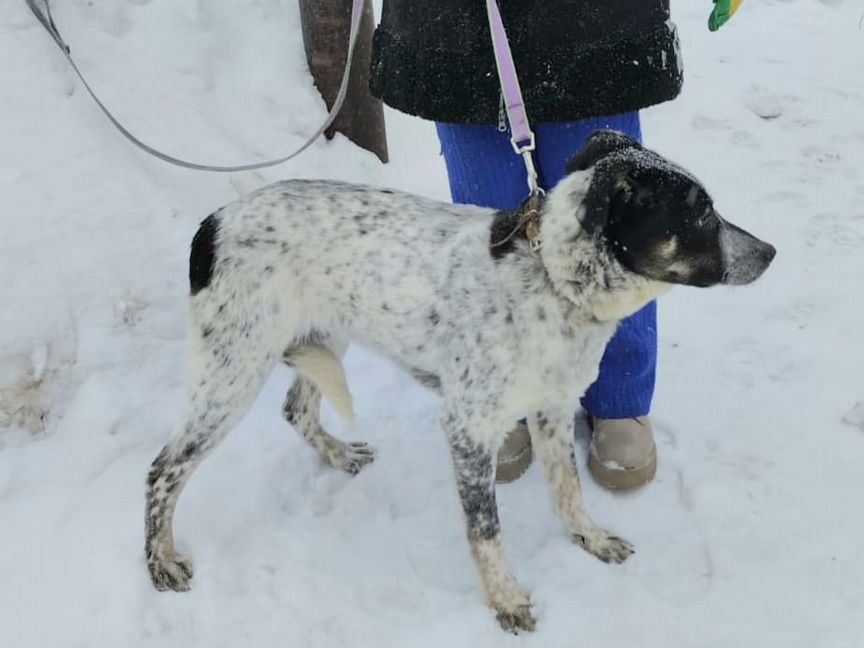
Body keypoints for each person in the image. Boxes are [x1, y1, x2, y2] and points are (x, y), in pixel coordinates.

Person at [368, 1, 684, 490]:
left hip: (597, 22)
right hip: (456, 24)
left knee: (608, 206)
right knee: (490, 211)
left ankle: (620, 393)